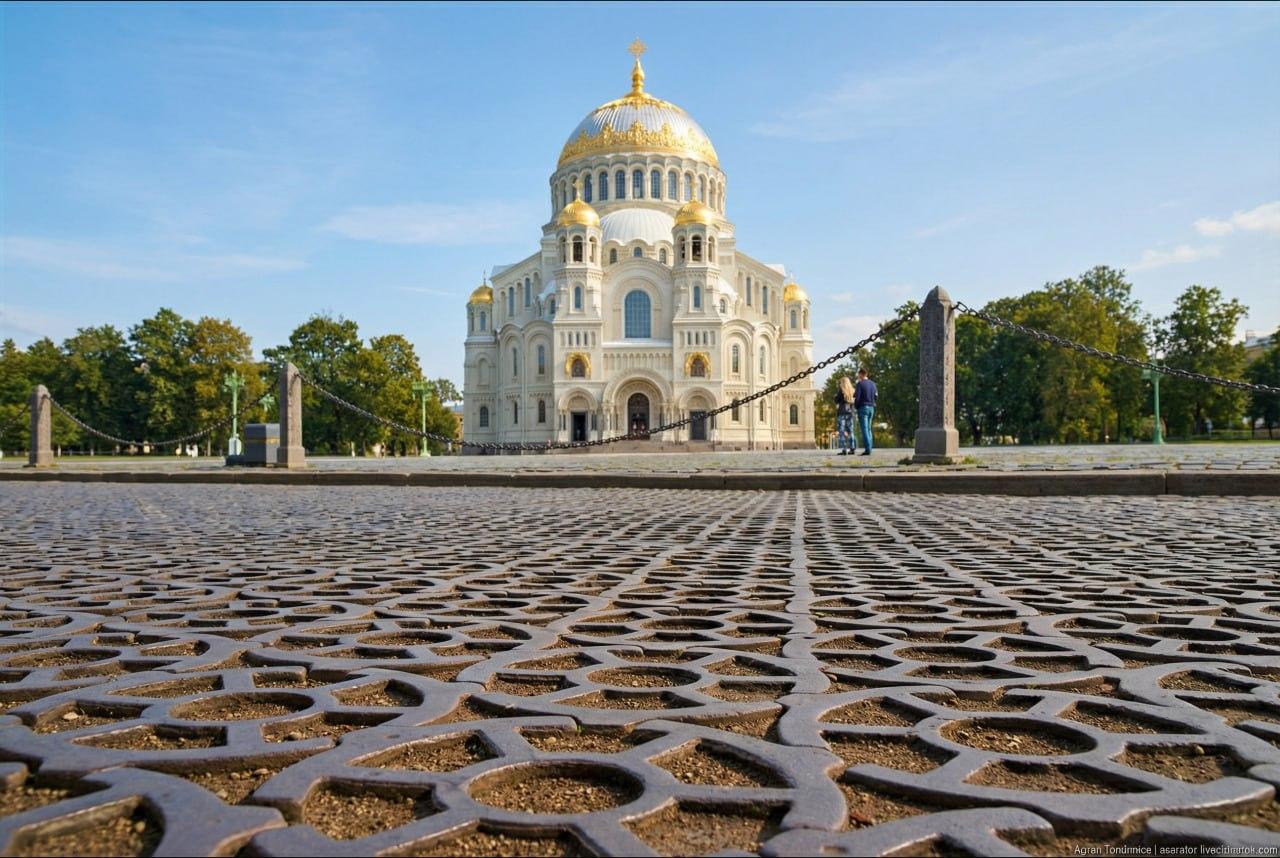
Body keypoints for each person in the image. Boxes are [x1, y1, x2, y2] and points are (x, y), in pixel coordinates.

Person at [854, 367, 878, 456]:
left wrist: (856, 406)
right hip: (871, 407)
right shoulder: (873, 384)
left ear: (861, 374)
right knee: (869, 429)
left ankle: (868, 449)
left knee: (864, 429)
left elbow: (858, 397)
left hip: (863, 408)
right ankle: (870, 447)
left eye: (858, 374)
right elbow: (876, 396)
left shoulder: (860, 384)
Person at [834, 376, 856, 455]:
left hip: (842, 413)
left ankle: (844, 449)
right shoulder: (853, 391)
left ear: (842, 383)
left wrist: (836, 396)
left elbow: (836, 400)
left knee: (842, 431)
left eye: (840, 383)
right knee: (850, 431)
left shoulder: (841, 391)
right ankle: (852, 448)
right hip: (850, 413)